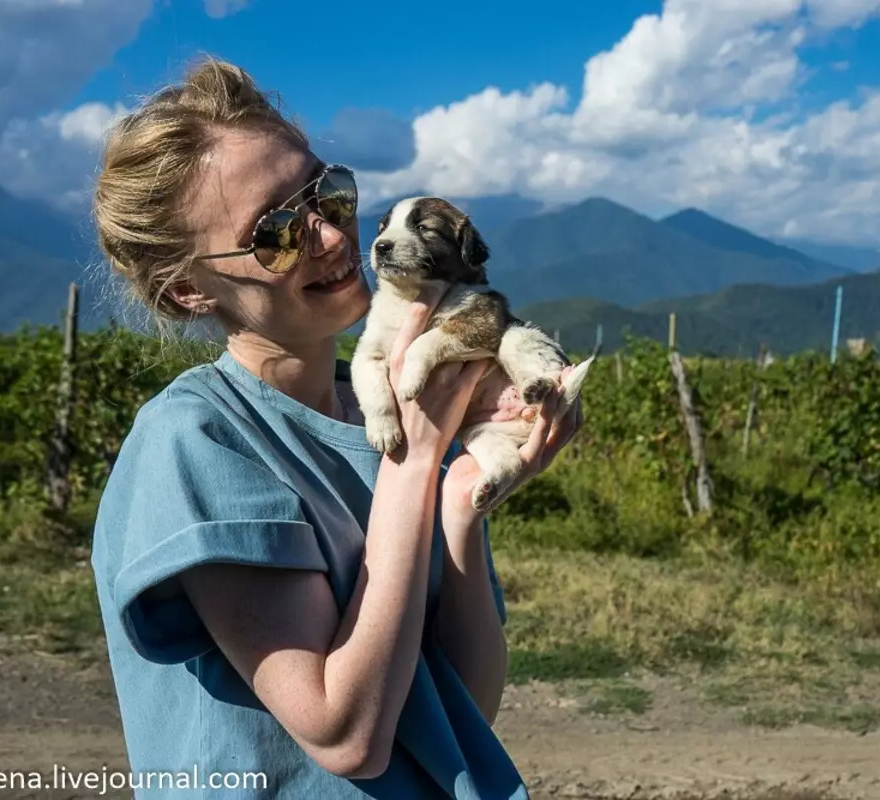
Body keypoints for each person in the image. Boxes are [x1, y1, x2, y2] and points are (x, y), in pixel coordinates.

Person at [87, 56, 582, 799]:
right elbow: (345, 733)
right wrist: (415, 467)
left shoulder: (384, 412)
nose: (327, 234)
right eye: (274, 231)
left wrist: (459, 499)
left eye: (330, 193)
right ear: (190, 288)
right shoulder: (198, 442)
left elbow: (460, 711)